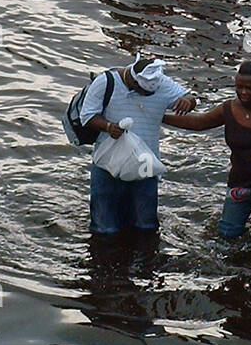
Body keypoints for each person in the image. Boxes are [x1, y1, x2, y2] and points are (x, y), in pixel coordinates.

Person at [164, 62, 251, 239]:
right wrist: (160, 117)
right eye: (239, 87)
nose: (244, 92)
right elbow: (199, 123)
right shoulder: (227, 109)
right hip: (241, 180)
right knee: (227, 233)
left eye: (250, 88)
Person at [80, 54, 196, 235]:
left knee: (146, 225)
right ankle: (104, 259)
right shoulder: (105, 82)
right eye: (145, 92)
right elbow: (86, 116)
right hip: (108, 162)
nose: (150, 95)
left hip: (145, 161)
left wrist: (188, 101)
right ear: (133, 83)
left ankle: (145, 259)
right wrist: (109, 126)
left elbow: (188, 97)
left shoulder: (159, 82)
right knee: (104, 226)